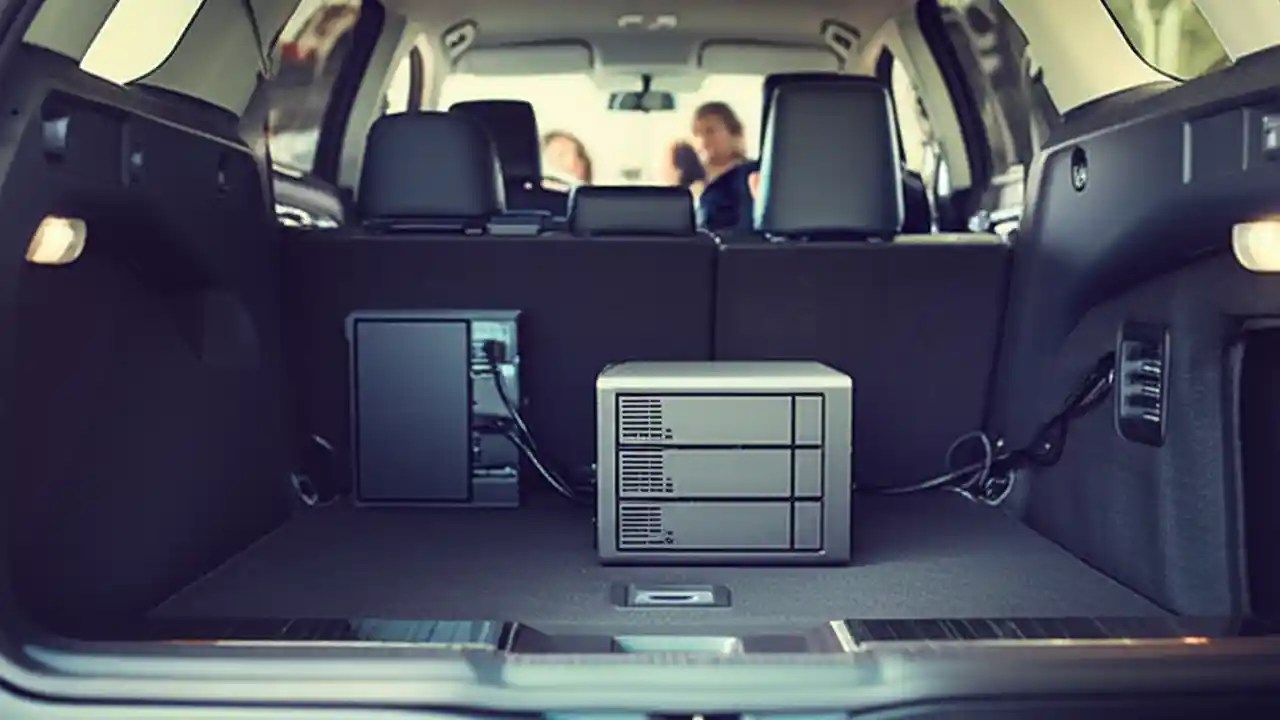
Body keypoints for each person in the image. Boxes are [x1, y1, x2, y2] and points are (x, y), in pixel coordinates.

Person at [690, 101, 756, 232]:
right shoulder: (692, 181)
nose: (702, 140)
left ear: (734, 133)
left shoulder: (752, 175)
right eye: (697, 134)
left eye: (710, 131)